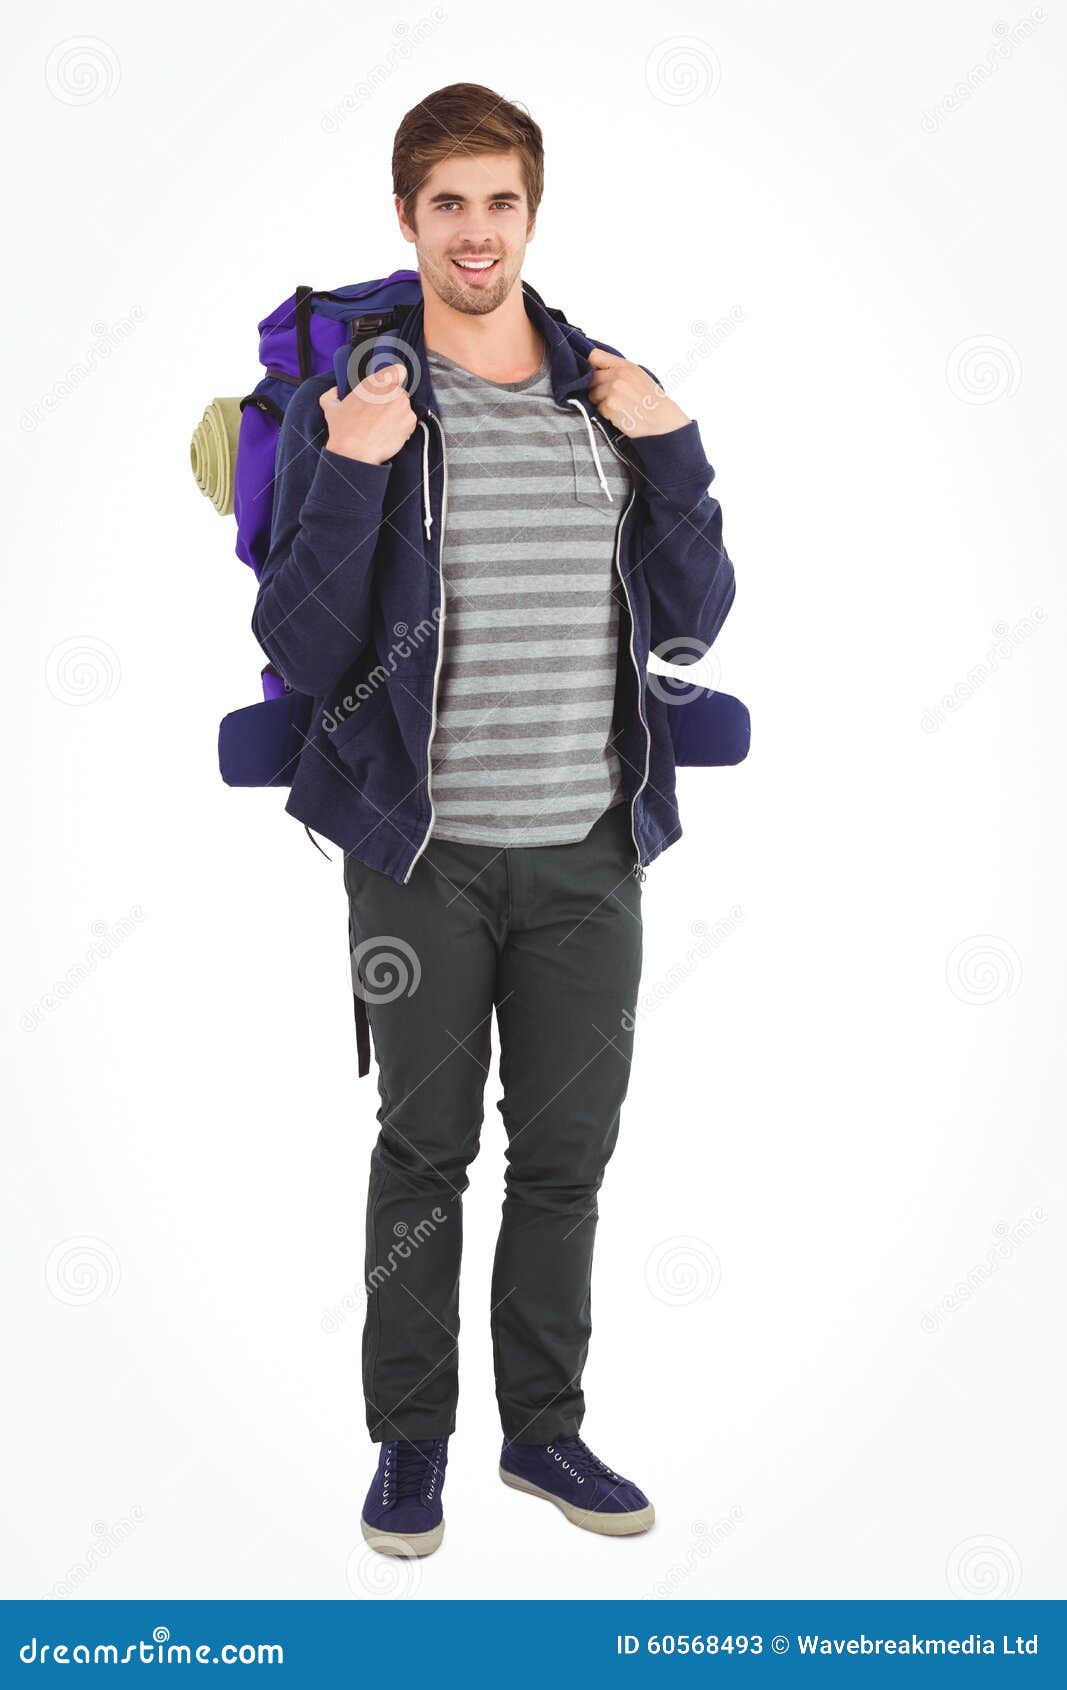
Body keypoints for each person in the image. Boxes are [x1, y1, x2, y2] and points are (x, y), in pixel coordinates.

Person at [252, 82, 736, 1557]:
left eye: (501, 203)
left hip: (592, 851)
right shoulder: (370, 400)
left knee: (568, 1156)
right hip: (424, 859)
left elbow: (697, 618)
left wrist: (678, 448)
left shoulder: (605, 394)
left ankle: (544, 1430)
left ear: (534, 212)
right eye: (448, 204)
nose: (477, 232)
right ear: (409, 219)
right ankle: (411, 1447)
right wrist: (349, 470)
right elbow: (310, 636)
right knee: (423, 1151)